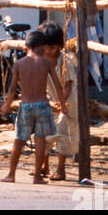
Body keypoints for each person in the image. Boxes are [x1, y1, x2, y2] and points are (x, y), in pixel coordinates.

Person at [0, 28, 66, 184]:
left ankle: (11, 174)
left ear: (27, 46)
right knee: (40, 141)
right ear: (41, 46)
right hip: (43, 105)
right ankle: (37, 176)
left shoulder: (19, 64)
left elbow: (12, 89)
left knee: (19, 141)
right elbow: (58, 86)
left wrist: (6, 106)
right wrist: (63, 105)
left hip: (26, 106)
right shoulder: (47, 63)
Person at [41, 22, 78, 181]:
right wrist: (50, 103)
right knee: (44, 132)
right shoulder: (41, 61)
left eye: (52, 48)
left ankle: (61, 169)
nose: (48, 51)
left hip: (68, 102)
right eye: (46, 47)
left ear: (58, 46)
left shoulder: (66, 60)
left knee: (63, 132)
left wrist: (61, 103)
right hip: (51, 101)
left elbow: (68, 86)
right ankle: (44, 164)